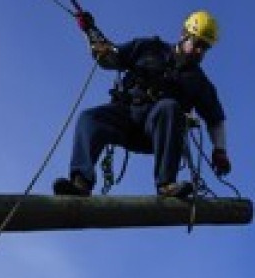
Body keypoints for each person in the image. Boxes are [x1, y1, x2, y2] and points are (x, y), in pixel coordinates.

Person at [53, 10, 232, 198]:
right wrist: (89, 31)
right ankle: (81, 183)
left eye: (205, 47)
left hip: (156, 132)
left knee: (169, 107)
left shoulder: (199, 82)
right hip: (125, 118)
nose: (200, 51)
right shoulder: (148, 48)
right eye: (197, 43)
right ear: (184, 34)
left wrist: (220, 151)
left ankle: (166, 186)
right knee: (89, 118)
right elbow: (109, 58)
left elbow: (216, 119)